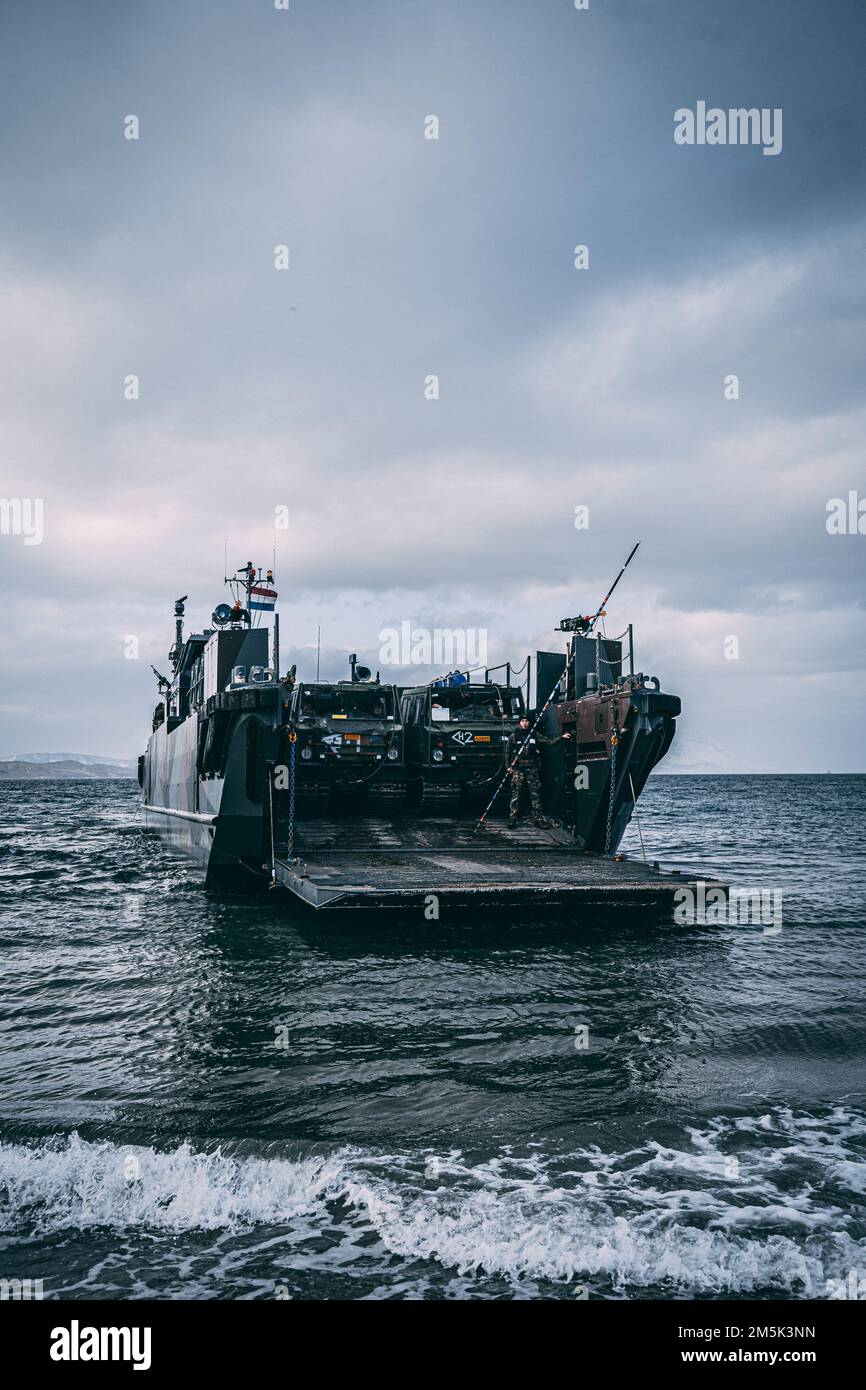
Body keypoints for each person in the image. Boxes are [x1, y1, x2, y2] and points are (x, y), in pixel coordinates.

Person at [505, 714, 571, 828]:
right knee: (516, 794)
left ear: (529, 723)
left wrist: (561, 737)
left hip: (532, 769)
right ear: (520, 722)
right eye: (523, 721)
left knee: (535, 794)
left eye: (527, 721)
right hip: (518, 769)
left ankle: (538, 819)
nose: (525, 723)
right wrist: (508, 767)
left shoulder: (534, 735)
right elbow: (507, 752)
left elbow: (549, 742)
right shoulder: (514, 736)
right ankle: (513, 818)